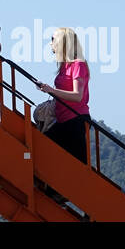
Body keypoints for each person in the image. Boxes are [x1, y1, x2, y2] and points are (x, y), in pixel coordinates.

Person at [35, 27, 91, 163]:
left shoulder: (78, 64)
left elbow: (77, 96)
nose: (50, 43)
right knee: (44, 148)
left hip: (75, 120)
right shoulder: (64, 65)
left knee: (75, 164)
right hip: (63, 119)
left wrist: (51, 91)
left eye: (53, 39)